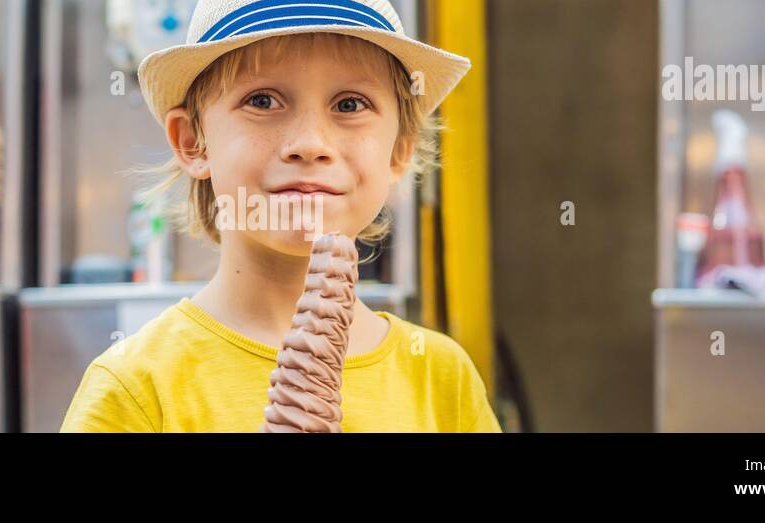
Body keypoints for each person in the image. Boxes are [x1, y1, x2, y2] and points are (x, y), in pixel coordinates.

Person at [61, 0, 500, 432]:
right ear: (194, 142)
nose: (310, 143)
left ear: (399, 151)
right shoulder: (135, 388)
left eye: (350, 105)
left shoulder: (442, 379)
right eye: (263, 100)